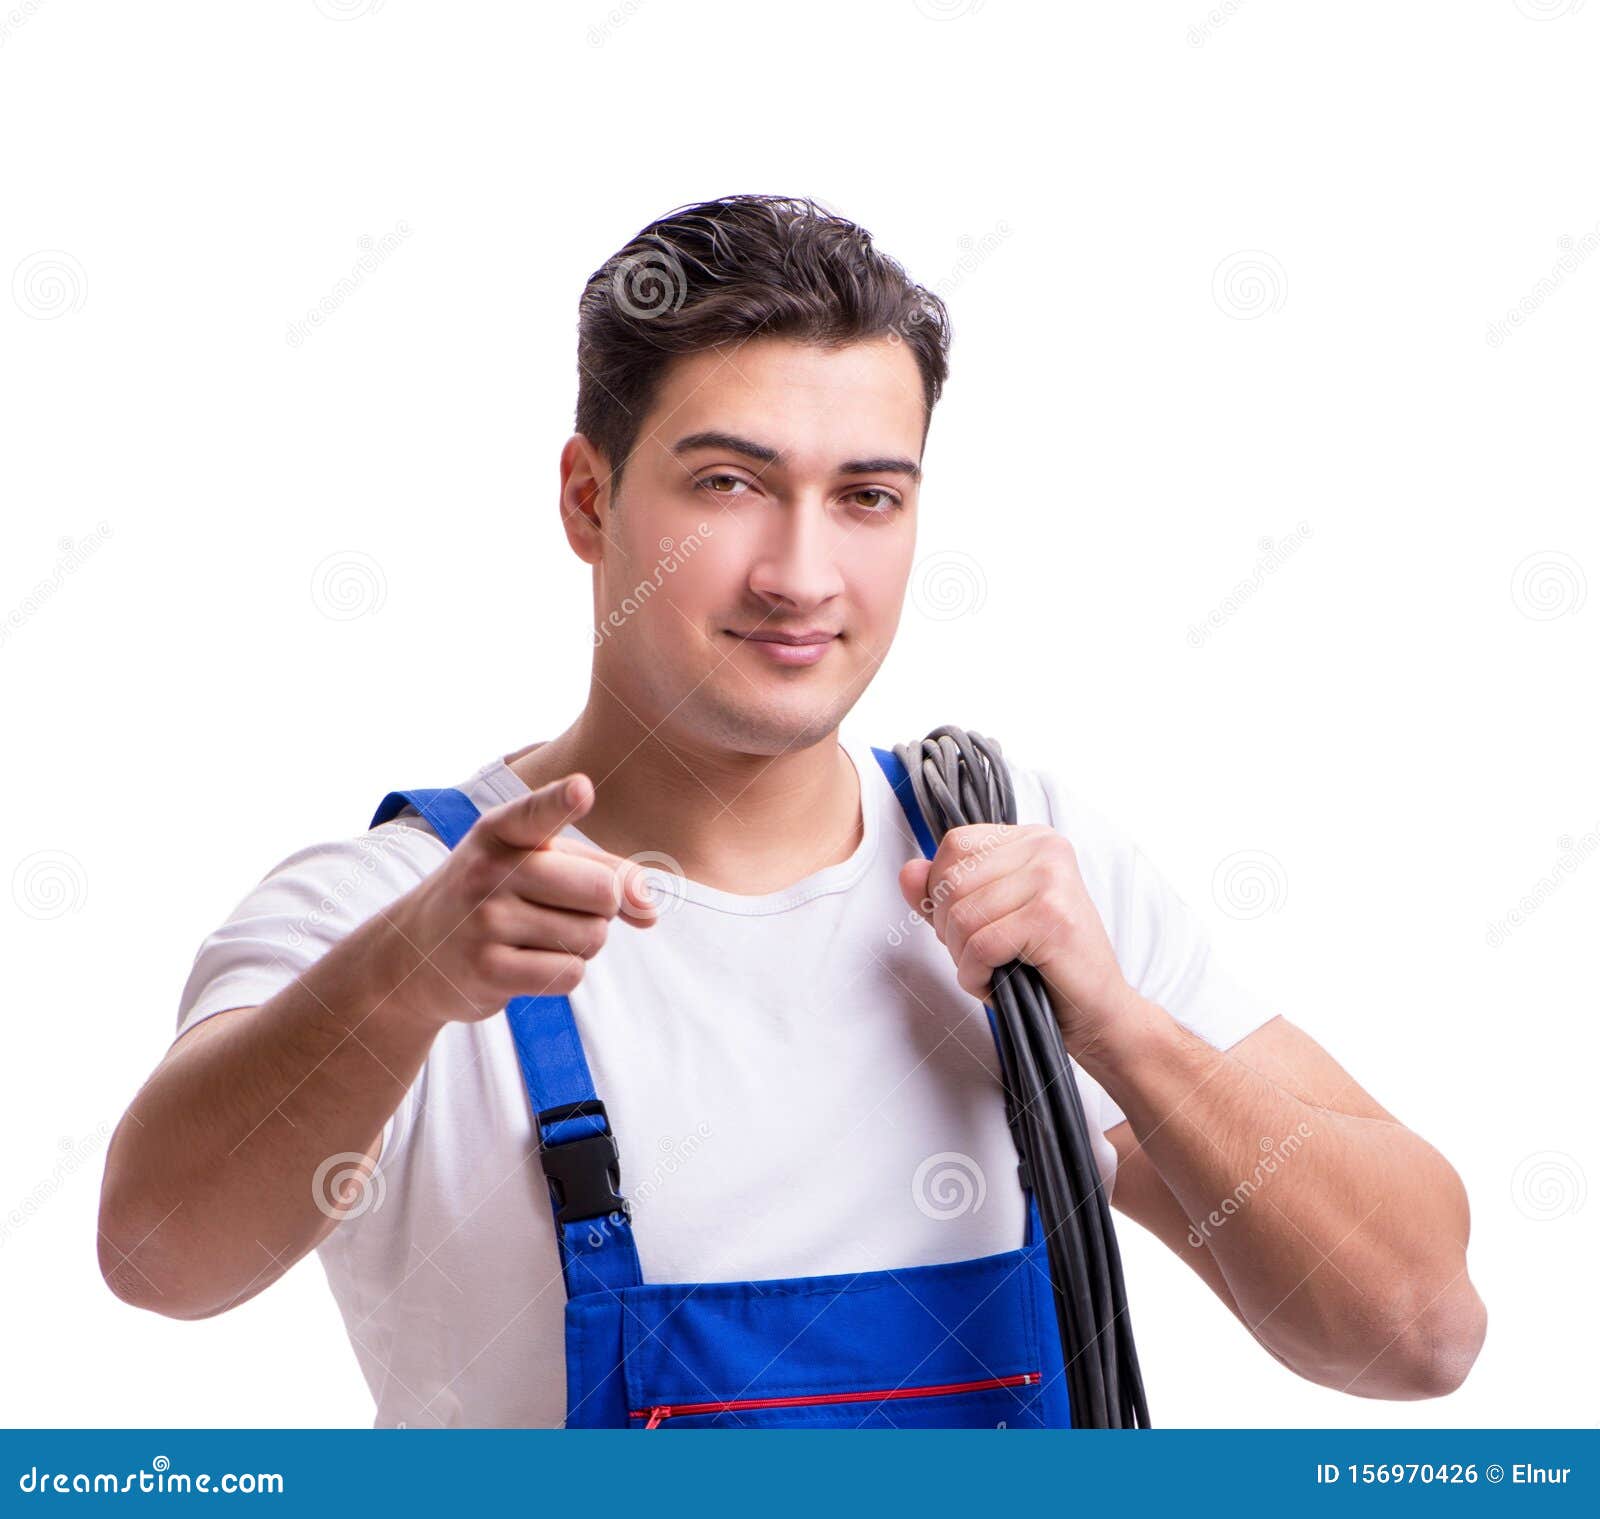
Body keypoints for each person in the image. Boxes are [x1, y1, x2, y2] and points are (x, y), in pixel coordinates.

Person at [98, 194, 1486, 1428]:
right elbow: (160, 1260)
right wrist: (404, 982)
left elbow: (1418, 1335)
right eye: (729, 485)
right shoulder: (386, 910)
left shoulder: (1023, 868)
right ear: (589, 500)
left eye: (867, 497)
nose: (801, 574)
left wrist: (1113, 1028)